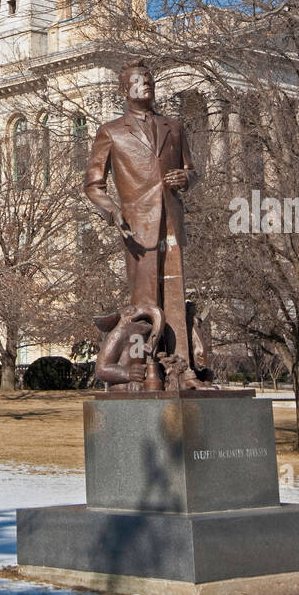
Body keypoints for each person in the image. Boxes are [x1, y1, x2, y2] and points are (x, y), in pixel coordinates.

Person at [84, 58, 206, 390]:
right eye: (138, 81)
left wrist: (186, 178)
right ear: (125, 90)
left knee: (176, 298)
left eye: (149, 80)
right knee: (143, 306)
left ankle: (183, 370)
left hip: (172, 219)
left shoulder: (174, 126)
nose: (146, 85)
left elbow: (192, 170)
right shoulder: (110, 131)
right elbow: (93, 185)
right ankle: (141, 369)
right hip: (137, 226)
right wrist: (112, 212)